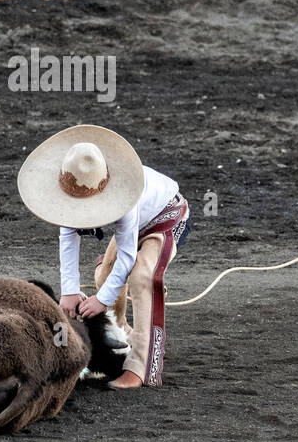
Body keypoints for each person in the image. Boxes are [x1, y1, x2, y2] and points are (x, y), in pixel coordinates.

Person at [17, 125, 190, 389]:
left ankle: (142, 368)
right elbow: (68, 238)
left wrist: (101, 300)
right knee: (105, 274)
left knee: (143, 276)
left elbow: (128, 255)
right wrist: (70, 291)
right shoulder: (72, 190)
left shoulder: (126, 199)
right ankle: (121, 333)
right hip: (134, 224)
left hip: (164, 216)